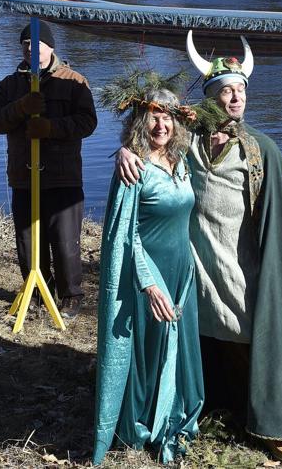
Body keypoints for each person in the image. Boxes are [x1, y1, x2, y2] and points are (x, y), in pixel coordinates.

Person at [117, 31, 282, 466]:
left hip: (246, 264)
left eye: (240, 90)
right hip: (196, 261)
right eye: (226, 90)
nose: (235, 97)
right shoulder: (188, 141)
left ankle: (271, 421)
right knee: (198, 328)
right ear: (209, 98)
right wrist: (123, 152)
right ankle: (199, 403)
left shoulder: (261, 150)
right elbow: (151, 142)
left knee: (250, 330)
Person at [93, 84, 203, 464]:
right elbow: (125, 234)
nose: (161, 124)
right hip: (147, 277)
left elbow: (222, 124)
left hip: (181, 272)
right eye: (154, 115)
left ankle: (175, 417)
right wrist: (149, 283)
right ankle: (141, 426)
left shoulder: (182, 159)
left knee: (178, 346)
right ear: (141, 120)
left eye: (168, 116)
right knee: (147, 350)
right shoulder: (133, 167)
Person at [0, 19, 97, 319]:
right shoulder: (9, 85)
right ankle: (36, 292)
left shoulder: (74, 81)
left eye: (36, 44)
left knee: (65, 242)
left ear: (50, 47)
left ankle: (71, 296)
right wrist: (20, 107)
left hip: (62, 177)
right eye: (25, 45)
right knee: (27, 240)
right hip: (24, 175)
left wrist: (50, 127)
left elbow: (87, 122)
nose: (30, 50)